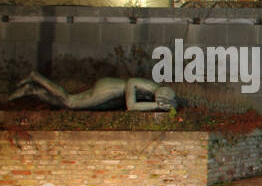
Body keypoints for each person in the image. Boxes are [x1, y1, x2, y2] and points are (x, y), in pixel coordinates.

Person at [10, 70, 177, 111]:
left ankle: (33, 91)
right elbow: (132, 105)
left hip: (110, 93)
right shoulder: (150, 87)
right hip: (107, 90)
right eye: (161, 99)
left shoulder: (154, 89)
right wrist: (155, 106)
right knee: (70, 101)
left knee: (67, 104)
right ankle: (36, 77)